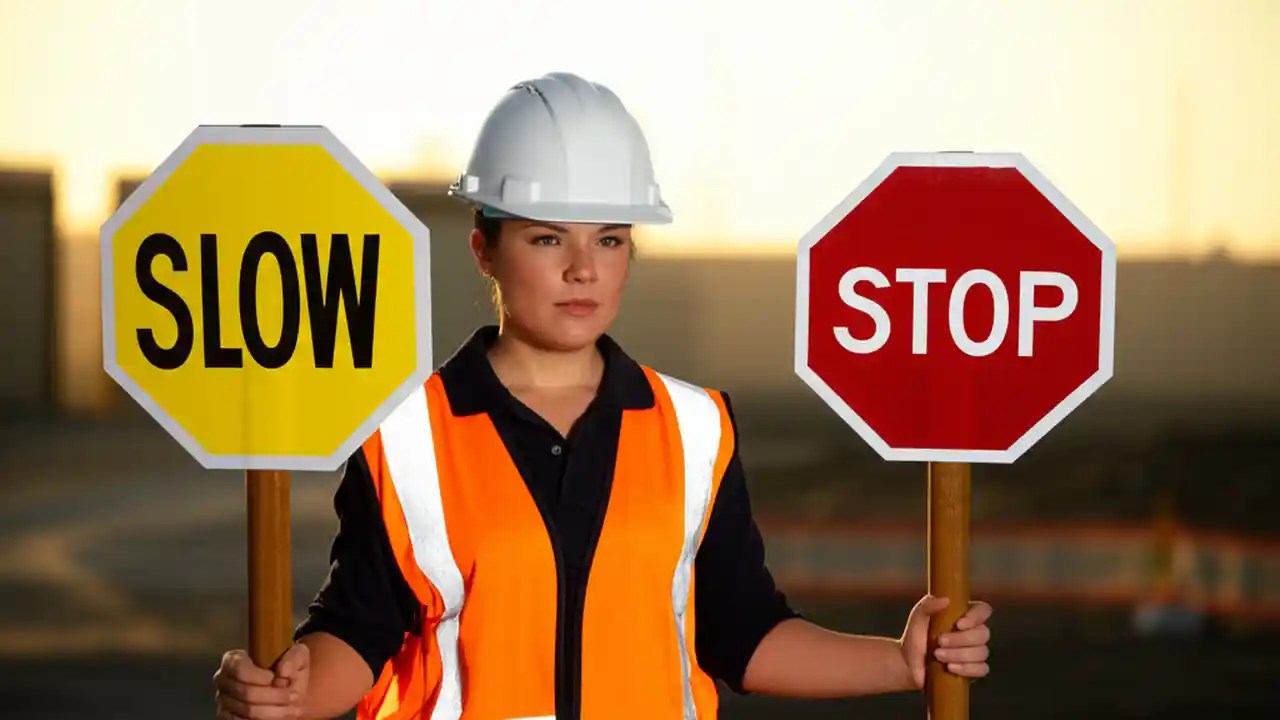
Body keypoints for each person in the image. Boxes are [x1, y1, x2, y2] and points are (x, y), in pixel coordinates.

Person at [212, 72, 992, 720]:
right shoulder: (402, 433)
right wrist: (286, 691)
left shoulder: (697, 430)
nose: (584, 268)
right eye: (549, 238)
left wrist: (901, 661)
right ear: (484, 247)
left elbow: (743, 635)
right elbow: (359, 630)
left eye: (610, 239)